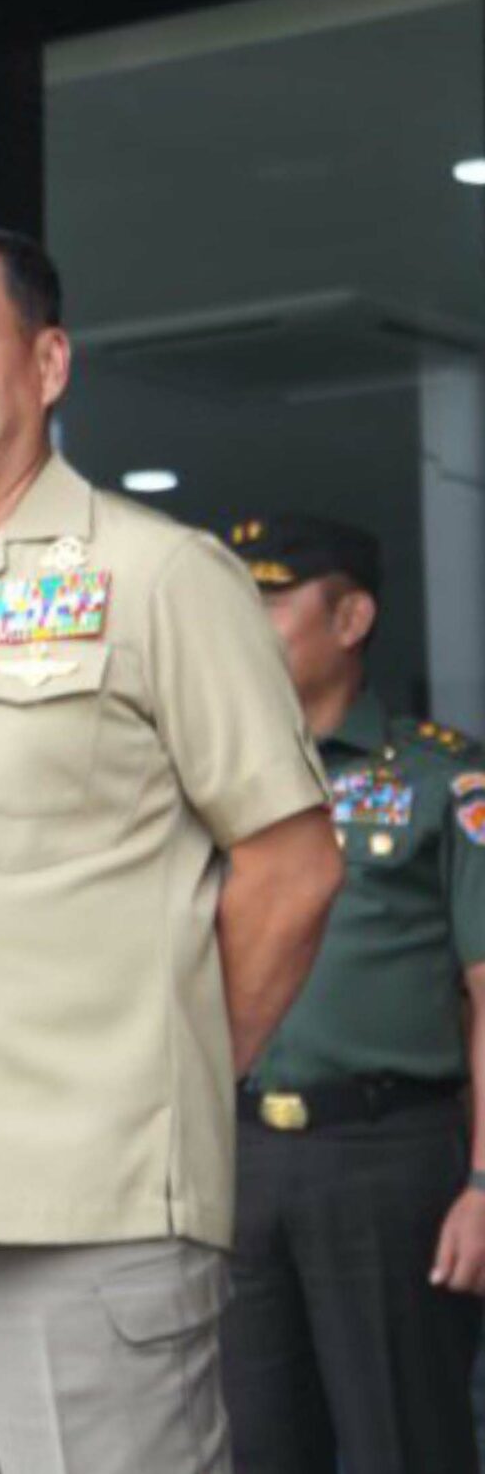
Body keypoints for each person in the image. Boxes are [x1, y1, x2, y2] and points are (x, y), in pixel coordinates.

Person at [0, 222, 342, 1474]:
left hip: (84, 1198)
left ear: (47, 363)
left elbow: (292, 864)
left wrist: (161, 1079)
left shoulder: (158, 576)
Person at [220, 514, 485, 1473]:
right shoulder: (213, 782)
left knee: (399, 1444)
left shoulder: (442, 777)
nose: (246, 627)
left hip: (386, 1155)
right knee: (252, 1448)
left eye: (271, 600)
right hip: (240, 1155)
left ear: (351, 618)